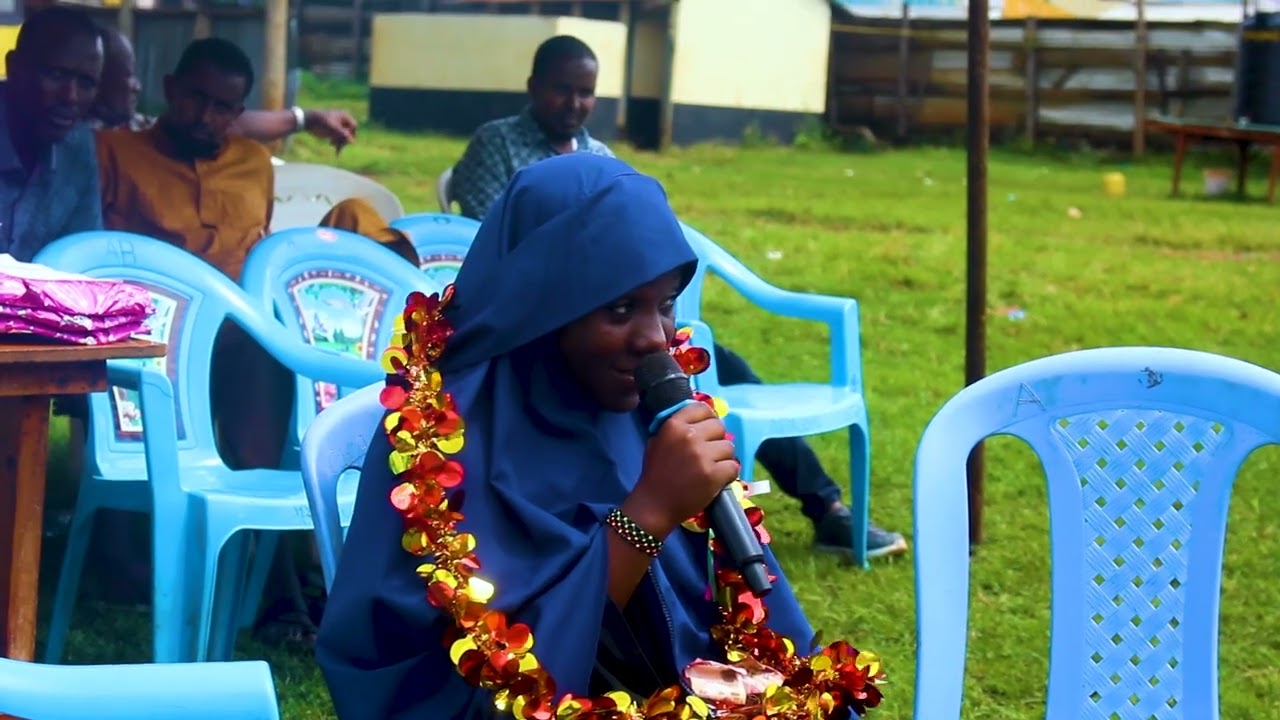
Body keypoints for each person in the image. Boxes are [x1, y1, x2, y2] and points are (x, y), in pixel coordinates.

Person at [317, 153, 820, 719]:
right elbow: (486, 691)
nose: (655, 338)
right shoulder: (440, 436)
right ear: (543, 302)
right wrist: (648, 513)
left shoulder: (645, 409)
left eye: (666, 304)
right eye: (621, 307)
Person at [450, 35, 906, 560]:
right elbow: (488, 249)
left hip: (597, 334)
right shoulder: (499, 145)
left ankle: (825, 507)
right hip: (535, 324)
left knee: (721, 363)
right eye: (562, 90)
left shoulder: (601, 156)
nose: (575, 104)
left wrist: (638, 303)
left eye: (587, 93)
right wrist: (651, 513)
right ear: (533, 88)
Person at [90, 38, 413, 637]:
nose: (207, 117)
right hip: (151, 333)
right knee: (267, 359)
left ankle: (279, 559)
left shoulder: (251, 162)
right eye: (197, 99)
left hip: (246, 331)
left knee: (290, 351)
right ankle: (270, 575)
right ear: (171, 88)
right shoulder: (113, 152)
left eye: (224, 108)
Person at [91, 25, 358, 150]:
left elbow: (234, 125)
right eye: (126, 75)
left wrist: (307, 118)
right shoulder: (103, 149)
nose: (136, 86)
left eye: (222, 108)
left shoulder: (135, 128)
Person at [0, 5, 103, 261]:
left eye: (86, 83)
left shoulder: (77, 146)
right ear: (13, 67)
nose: (71, 96)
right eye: (55, 75)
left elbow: (83, 257)